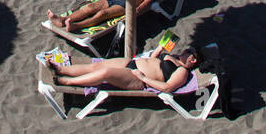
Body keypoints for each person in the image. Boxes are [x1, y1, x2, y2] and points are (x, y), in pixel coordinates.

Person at [47, 41, 203, 94]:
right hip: (133, 63)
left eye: (189, 52)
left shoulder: (183, 72)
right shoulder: (174, 57)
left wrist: (143, 78)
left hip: (138, 77)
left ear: (193, 60)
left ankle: (67, 82)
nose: (185, 50)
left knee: (105, 73)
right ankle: (61, 70)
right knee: (98, 65)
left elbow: (168, 87)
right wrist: (160, 50)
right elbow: (153, 60)